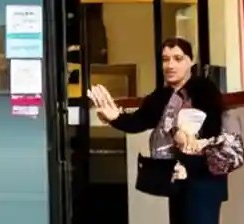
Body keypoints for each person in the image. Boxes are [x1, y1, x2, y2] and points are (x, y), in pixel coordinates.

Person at [88, 37, 228, 224]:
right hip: (177, 179)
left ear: (190, 62)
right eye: (165, 59)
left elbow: (210, 130)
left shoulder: (204, 90)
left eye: (178, 59)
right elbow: (137, 121)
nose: (170, 65)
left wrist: (183, 135)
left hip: (203, 179)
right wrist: (114, 116)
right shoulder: (162, 96)